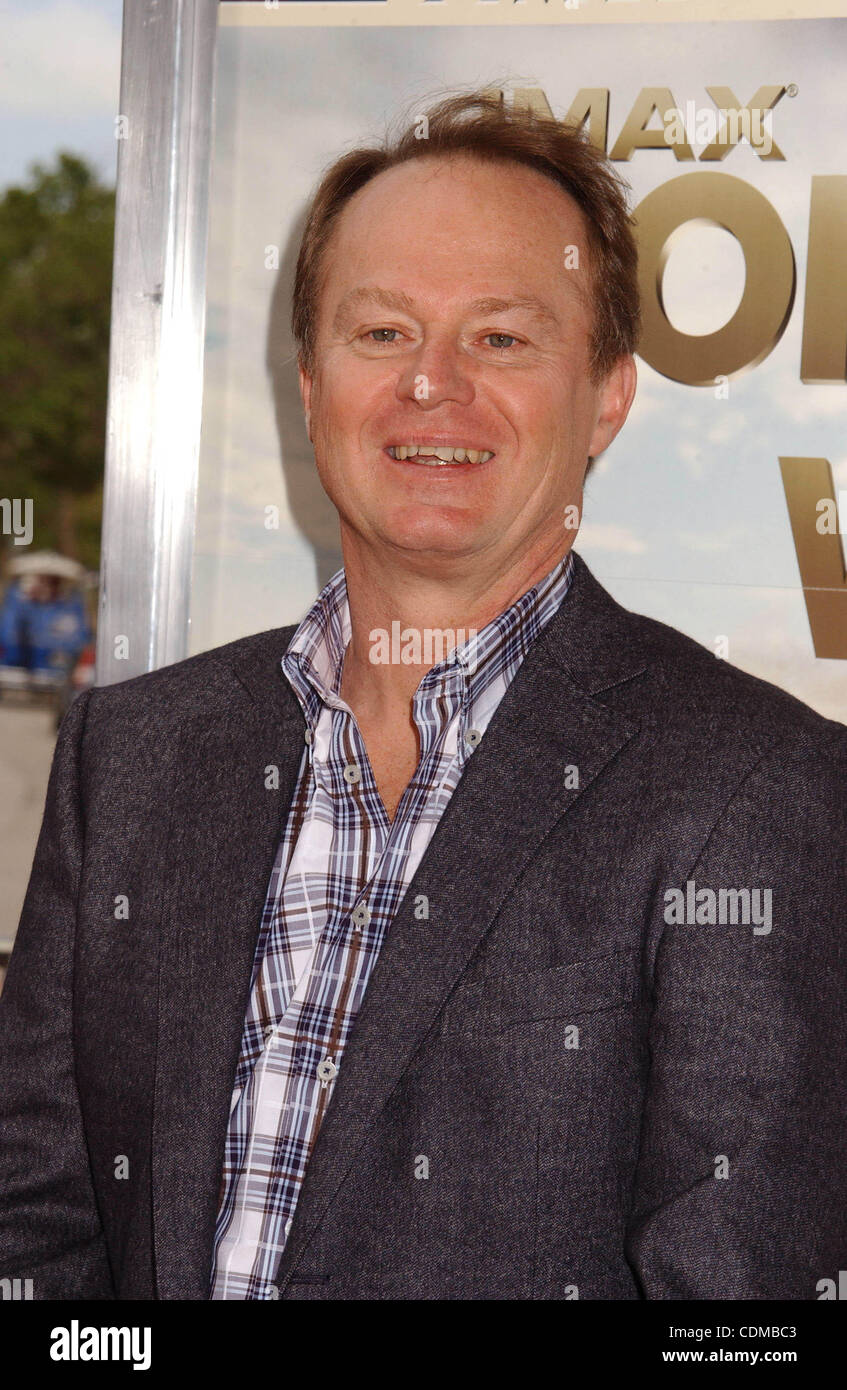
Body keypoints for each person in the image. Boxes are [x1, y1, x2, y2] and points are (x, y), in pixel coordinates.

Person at [0, 91, 845, 1302]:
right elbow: (31, 1227)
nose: (430, 387)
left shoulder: (756, 787)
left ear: (607, 393)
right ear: (308, 384)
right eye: (381, 331)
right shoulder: (130, 754)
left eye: (501, 338)